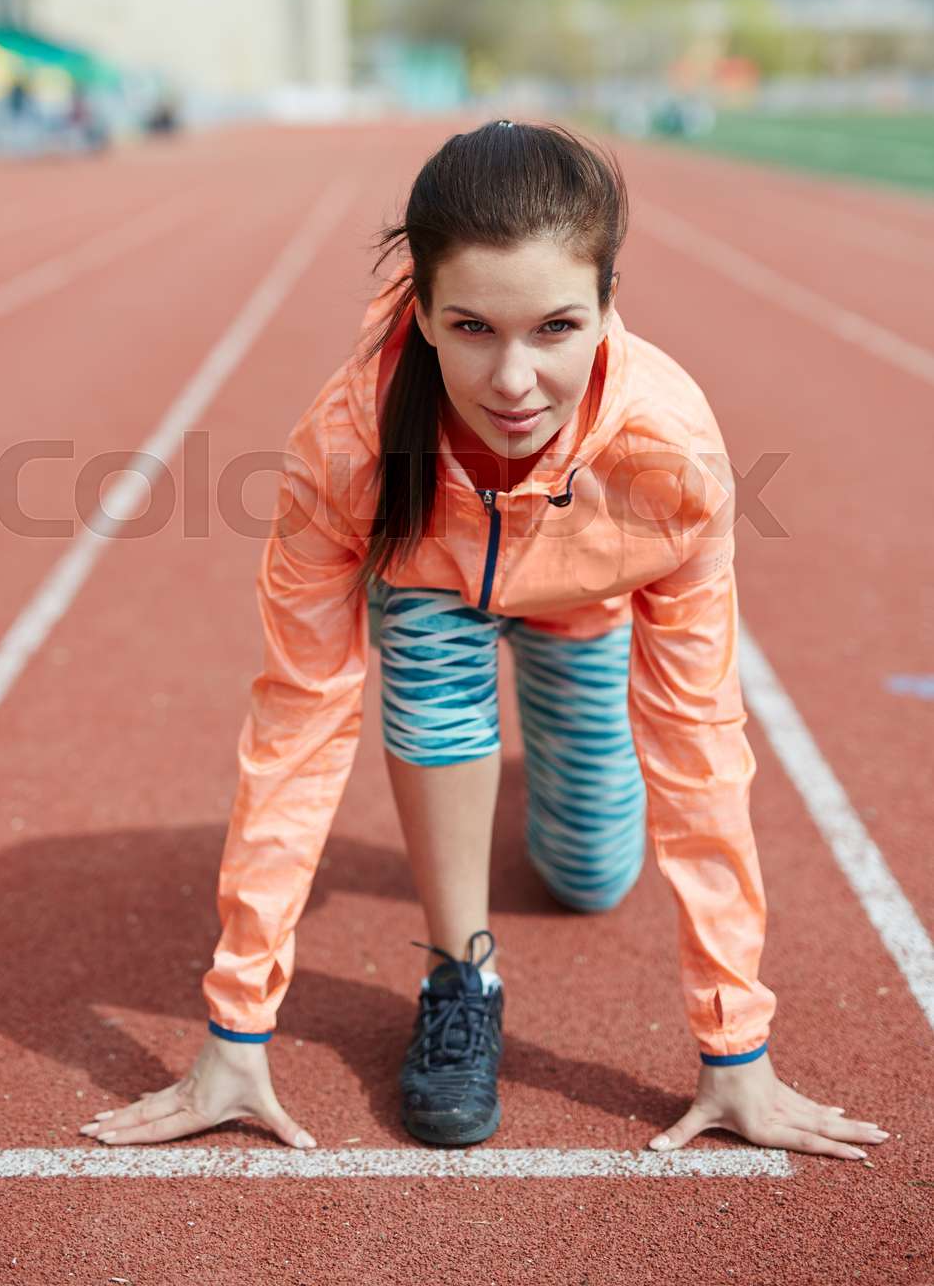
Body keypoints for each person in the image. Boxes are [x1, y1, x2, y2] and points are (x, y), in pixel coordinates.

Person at [78, 121, 889, 1162]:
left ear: (606, 307)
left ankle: (529, 766)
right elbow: (299, 722)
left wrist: (735, 1045)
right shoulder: (347, 445)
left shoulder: (669, 454)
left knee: (592, 875)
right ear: (419, 312)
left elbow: (697, 739)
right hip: (435, 581)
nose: (512, 380)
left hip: (584, 602)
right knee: (427, 667)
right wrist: (237, 1023)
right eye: (471, 327)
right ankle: (459, 972)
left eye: (554, 327)